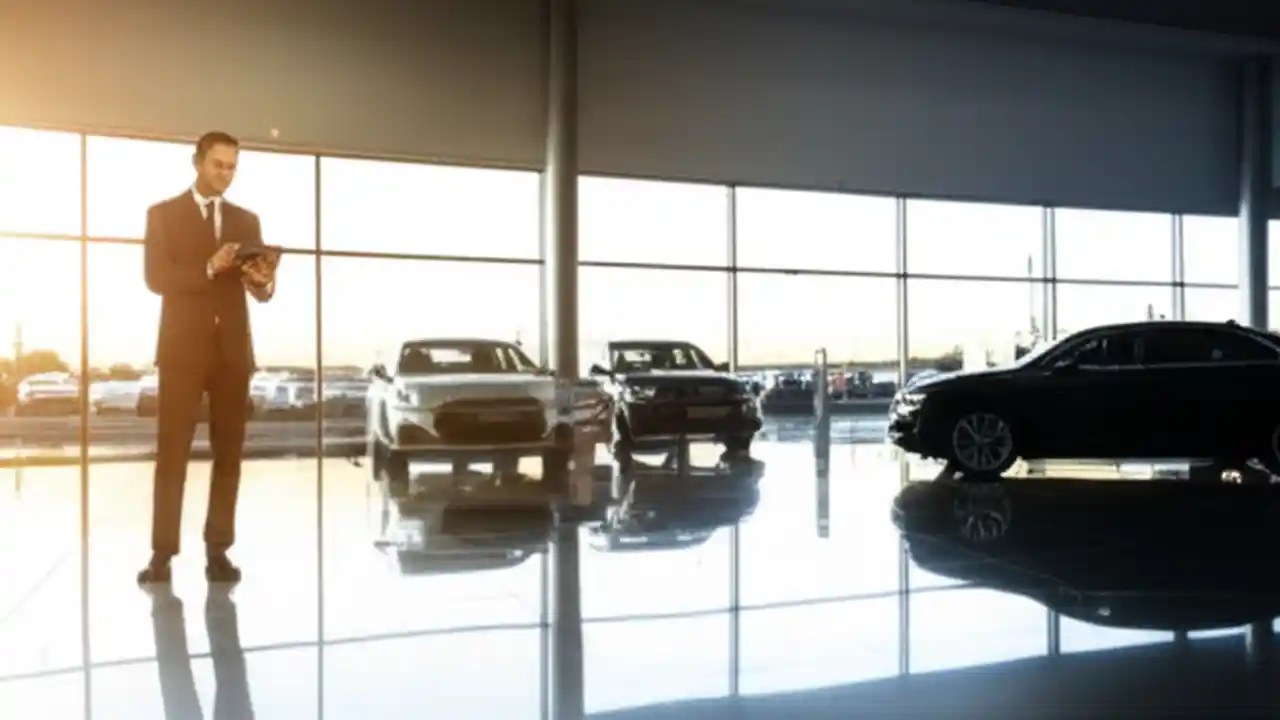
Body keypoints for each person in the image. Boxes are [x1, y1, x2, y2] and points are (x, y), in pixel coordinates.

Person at [137, 131, 278, 585]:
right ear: (197, 162)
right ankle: (162, 555)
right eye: (219, 164)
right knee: (171, 453)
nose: (226, 174)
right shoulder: (162, 215)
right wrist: (207, 268)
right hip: (181, 353)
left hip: (232, 353)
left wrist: (261, 281)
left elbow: (261, 294)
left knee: (230, 453)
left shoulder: (247, 220)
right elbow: (156, 279)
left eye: (233, 166)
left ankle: (218, 550)